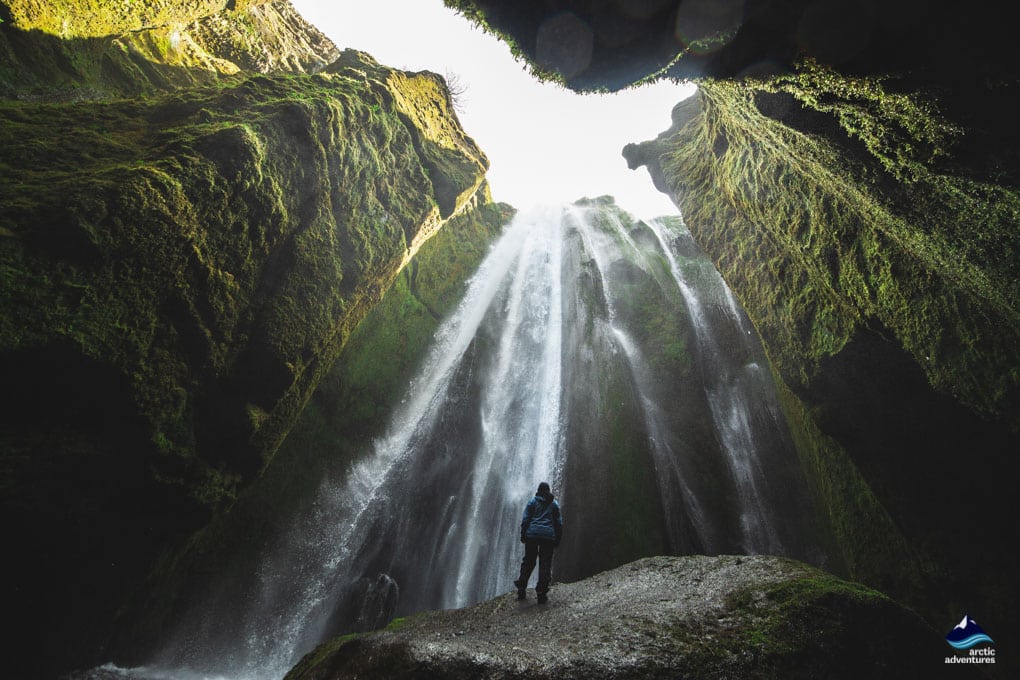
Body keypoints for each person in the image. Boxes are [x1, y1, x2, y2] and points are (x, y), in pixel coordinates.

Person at [514, 481, 562, 604]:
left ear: (538, 490)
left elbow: (525, 520)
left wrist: (523, 534)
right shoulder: (554, 504)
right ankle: (541, 591)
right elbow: (558, 523)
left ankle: (521, 586)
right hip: (548, 537)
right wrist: (557, 538)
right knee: (545, 563)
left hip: (532, 535)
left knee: (529, 561)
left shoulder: (532, 502)